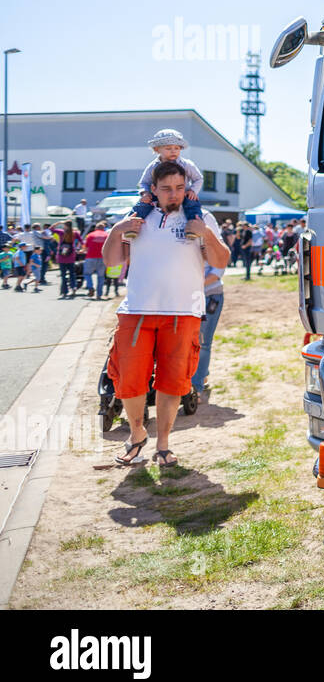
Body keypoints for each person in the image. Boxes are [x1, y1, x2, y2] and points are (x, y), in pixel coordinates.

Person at [102, 160, 230, 467]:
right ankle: (136, 434)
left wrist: (207, 235)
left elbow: (221, 260)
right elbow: (111, 262)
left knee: (173, 382)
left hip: (183, 312)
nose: (173, 194)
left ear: (186, 188)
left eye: (179, 188)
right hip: (137, 311)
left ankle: (163, 443)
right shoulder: (136, 217)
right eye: (166, 189)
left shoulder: (201, 216)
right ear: (153, 190)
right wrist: (118, 229)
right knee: (129, 381)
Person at [125, 129, 205, 242]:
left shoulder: (186, 164)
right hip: (157, 194)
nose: (173, 151)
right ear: (157, 149)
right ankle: (131, 226)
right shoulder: (153, 166)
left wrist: (193, 190)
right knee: (142, 205)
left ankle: (194, 226)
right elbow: (143, 182)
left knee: (192, 205)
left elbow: (198, 178)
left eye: (176, 148)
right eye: (168, 148)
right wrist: (145, 193)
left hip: (183, 194)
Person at [189, 260, 225, 406]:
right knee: (189, 341)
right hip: (185, 296)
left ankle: (196, 388)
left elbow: (216, 272)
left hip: (209, 295)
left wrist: (188, 286)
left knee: (202, 342)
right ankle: (202, 373)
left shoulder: (212, 238)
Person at [82, 221, 109, 299]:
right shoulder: (107, 235)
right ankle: (99, 295)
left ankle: (90, 287)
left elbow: (85, 248)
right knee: (101, 276)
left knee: (87, 274)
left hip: (90, 257)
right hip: (103, 258)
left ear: (95, 228)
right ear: (104, 228)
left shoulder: (90, 235)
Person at [55, 220, 81, 297]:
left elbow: (51, 229)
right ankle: (73, 288)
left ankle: (64, 291)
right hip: (71, 256)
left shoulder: (61, 232)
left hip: (61, 256)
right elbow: (81, 241)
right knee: (72, 274)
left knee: (63, 275)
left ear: (65, 225)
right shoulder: (75, 233)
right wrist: (80, 249)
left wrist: (58, 222)